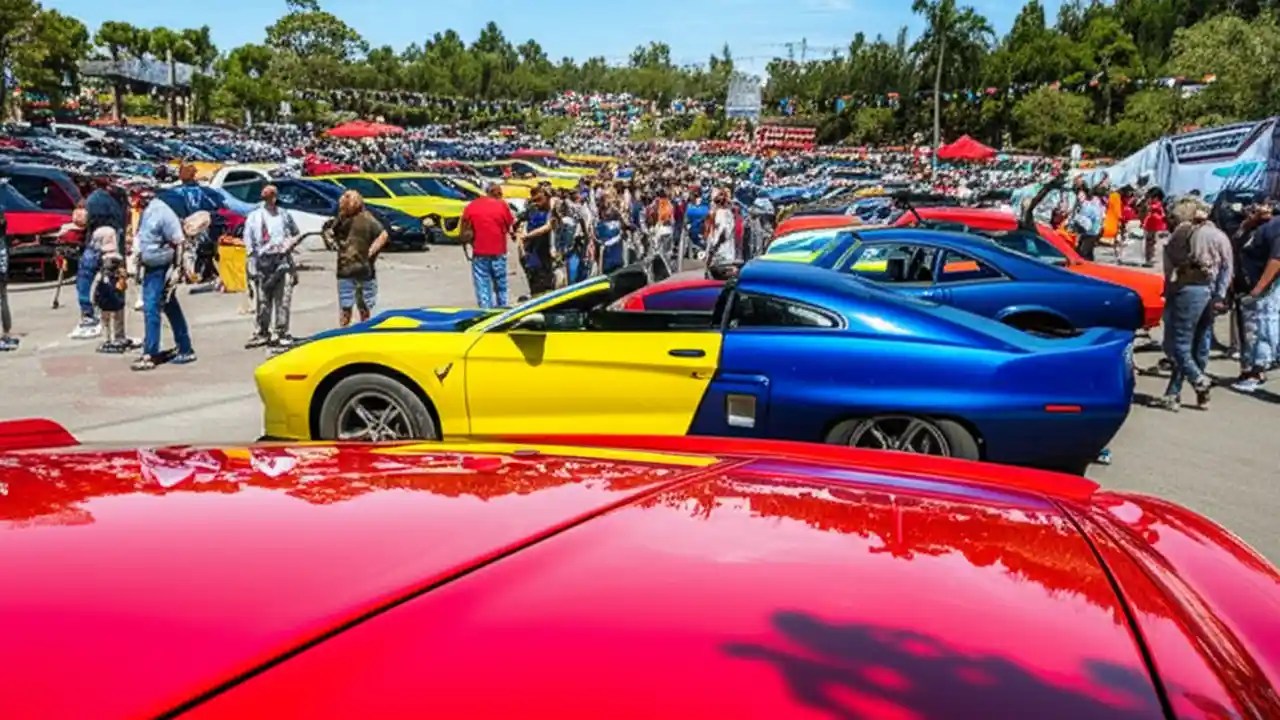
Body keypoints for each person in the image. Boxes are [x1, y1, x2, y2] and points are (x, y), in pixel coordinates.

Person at [1158, 204, 1225, 410]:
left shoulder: (1180, 236)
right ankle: (1187, 392)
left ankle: (1197, 380)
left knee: (1179, 344)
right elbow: (1228, 266)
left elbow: (1170, 271)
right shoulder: (1218, 236)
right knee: (1200, 343)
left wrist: (1168, 292)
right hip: (1210, 291)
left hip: (1187, 290)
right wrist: (1220, 294)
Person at [132, 197, 201, 372]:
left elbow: (179, 242)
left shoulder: (163, 213)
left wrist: (177, 271)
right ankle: (185, 347)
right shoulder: (146, 213)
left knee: (151, 307)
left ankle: (151, 352)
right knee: (169, 305)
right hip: (150, 267)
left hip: (161, 267)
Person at [243, 185, 302, 349]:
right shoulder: (254, 217)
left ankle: (282, 332)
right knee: (262, 301)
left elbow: (296, 233)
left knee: (283, 299)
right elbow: (248, 241)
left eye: (272, 195)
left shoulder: (284, 215)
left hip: (282, 260)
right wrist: (251, 263)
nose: (270, 199)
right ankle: (262, 332)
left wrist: (290, 244)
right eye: (267, 196)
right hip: (262, 262)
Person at [1233, 203, 1280, 392]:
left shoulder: (1276, 228)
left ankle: (1257, 372)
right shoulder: (1255, 228)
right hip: (1247, 286)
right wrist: (1250, 222)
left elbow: (1277, 260)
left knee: (1262, 328)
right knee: (1249, 331)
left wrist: (1258, 289)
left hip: (1264, 290)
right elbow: (1236, 241)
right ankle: (1250, 370)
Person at [330, 190, 388, 328]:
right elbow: (332, 233)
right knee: (346, 306)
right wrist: (332, 240)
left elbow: (383, 235)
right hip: (345, 268)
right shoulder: (342, 218)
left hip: (363, 268)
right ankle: (345, 331)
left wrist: (371, 252)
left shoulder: (367, 218)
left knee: (364, 306)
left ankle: (364, 330)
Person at [460, 183, 515, 308]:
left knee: (482, 285)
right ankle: (503, 311)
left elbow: (464, 228)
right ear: (498, 193)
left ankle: (485, 312)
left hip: (479, 252)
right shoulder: (502, 206)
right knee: (501, 285)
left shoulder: (472, 206)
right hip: (498, 252)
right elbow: (508, 225)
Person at [91, 227, 131, 353]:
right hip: (117, 294)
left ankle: (106, 339)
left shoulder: (100, 262)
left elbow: (96, 281)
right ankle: (118, 336)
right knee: (118, 316)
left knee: (105, 319)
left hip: (104, 294)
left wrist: (92, 297)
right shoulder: (119, 260)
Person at [518, 187, 556, 296]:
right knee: (534, 279)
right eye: (534, 200)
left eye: (539, 199)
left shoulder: (551, 210)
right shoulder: (532, 210)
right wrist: (523, 243)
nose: (536, 203)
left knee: (546, 280)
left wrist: (528, 236)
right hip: (531, 252)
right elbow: (523, 224)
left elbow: (548, 227)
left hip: (545, 251)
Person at [705, 189, 738, 280]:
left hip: (720, 250)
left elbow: (722, 232)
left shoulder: (720, 213)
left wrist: (714, 247)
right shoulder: (729, 213)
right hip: (728, 250)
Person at [0, 209, 15, 352]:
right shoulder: (3, 240)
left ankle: (4, 334)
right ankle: (6, 333)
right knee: (3, 300)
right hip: (3, 272)